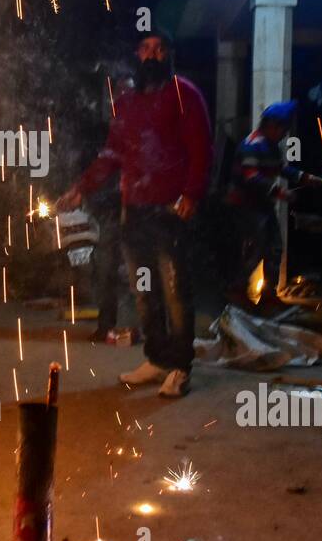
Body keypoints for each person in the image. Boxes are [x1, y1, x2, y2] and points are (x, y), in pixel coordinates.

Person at [57, 32, 212, 398]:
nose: (152, 55)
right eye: (145, 48)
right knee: (144, 289)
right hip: (135, 211)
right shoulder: (126, 103)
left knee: (175, 290)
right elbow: (112, 154)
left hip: (170, 209)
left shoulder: (184, 94)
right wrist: (82, 187)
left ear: (169, 55)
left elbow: (201, 148)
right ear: (137, 55)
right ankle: (156, 359)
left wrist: (192, 193)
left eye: (159, 49)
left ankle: (180, 366)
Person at [226, 101, 322, 305]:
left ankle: (268, 296)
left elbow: (281, 168)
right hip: (245, 205)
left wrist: (305, 177)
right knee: (257, 249)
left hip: (262, 204)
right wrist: (281, 193)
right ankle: (237, 291)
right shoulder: (252, 145)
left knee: (275, 248)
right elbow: (251, 178)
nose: (284, 134)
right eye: (283, 129)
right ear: (271, 125)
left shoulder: (271, 146)